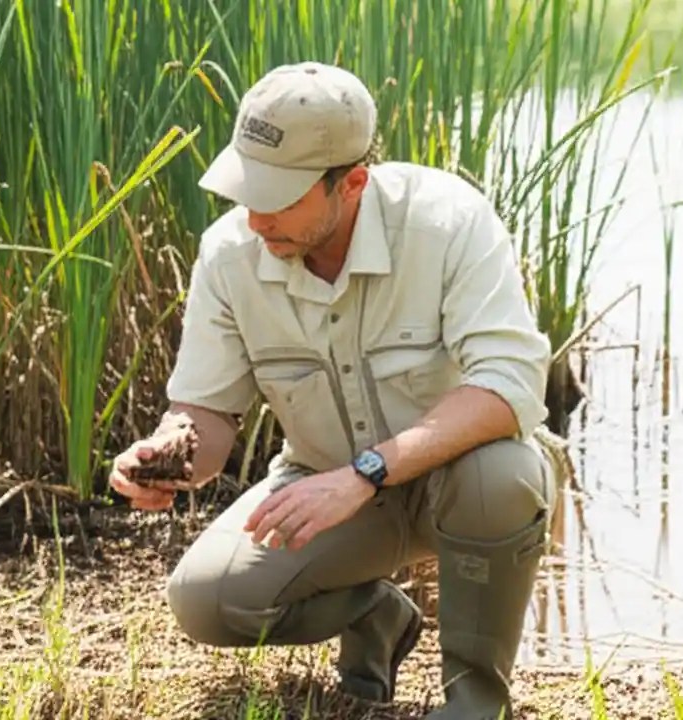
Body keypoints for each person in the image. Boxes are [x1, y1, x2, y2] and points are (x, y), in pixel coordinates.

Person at [108, 61, 557, 720]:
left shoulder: (448, 223)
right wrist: (168, 452)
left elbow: (507, 384)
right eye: (247, 191)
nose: (256, 221)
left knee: (504, 474)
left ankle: (474, 703)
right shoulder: (228, 255)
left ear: (351, 183)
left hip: (455, 483)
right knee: (205, 601)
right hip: (324, 486)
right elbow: (206, 414)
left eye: (279, 198)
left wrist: (365, 473)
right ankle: (378, 618)